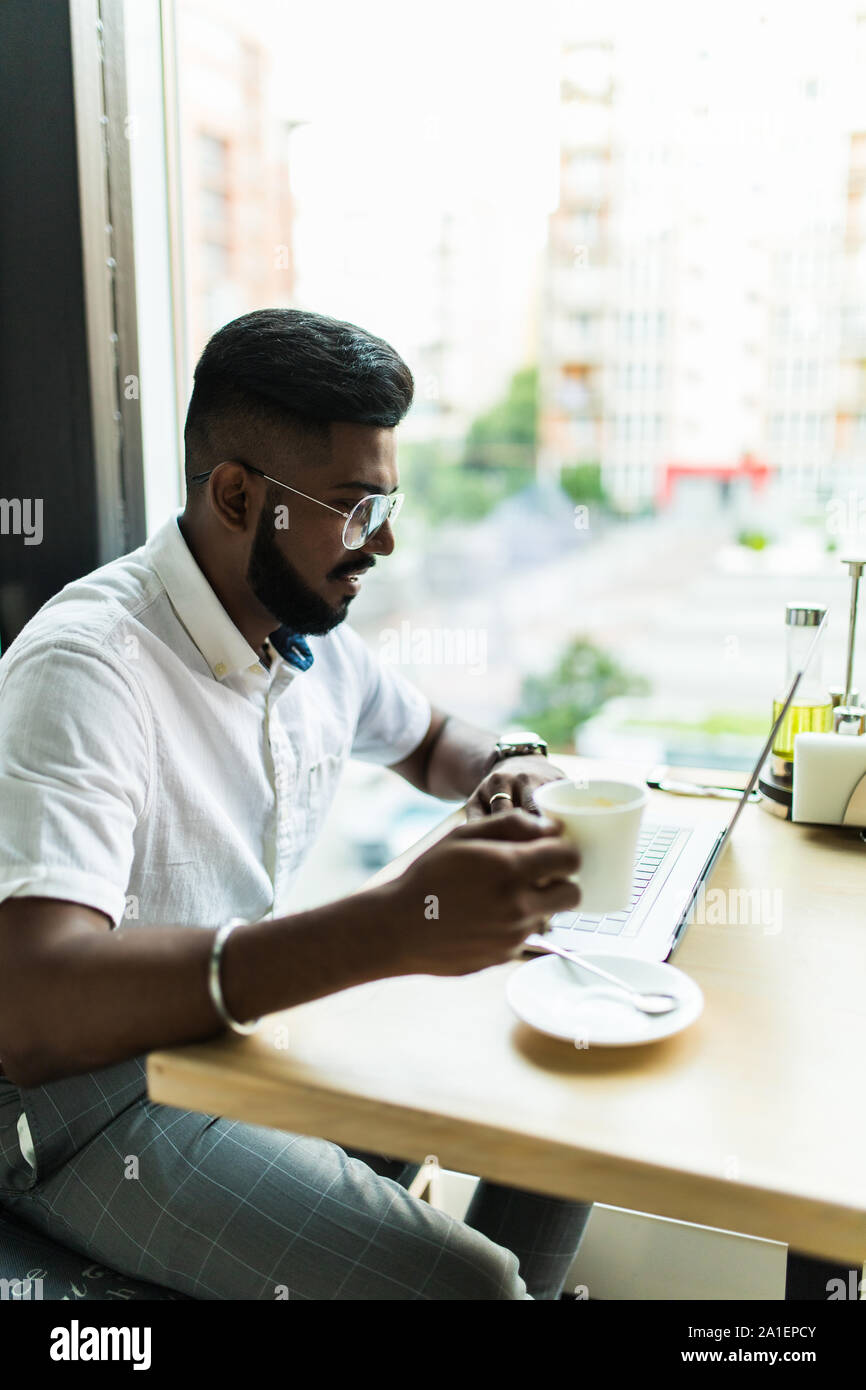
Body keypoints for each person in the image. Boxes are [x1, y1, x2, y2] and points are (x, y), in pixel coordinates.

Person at [0, 307, 593, 1300]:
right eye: (356, 506)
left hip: (224, 1037)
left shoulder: (305, 625)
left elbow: (435, 742)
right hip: (77, 1106)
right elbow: (31, 1006)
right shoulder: (89, 667)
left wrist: (518, 767)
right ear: (237, 495)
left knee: (567, 1109)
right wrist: (390, 928)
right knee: (469, 1285)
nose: (385, 540)